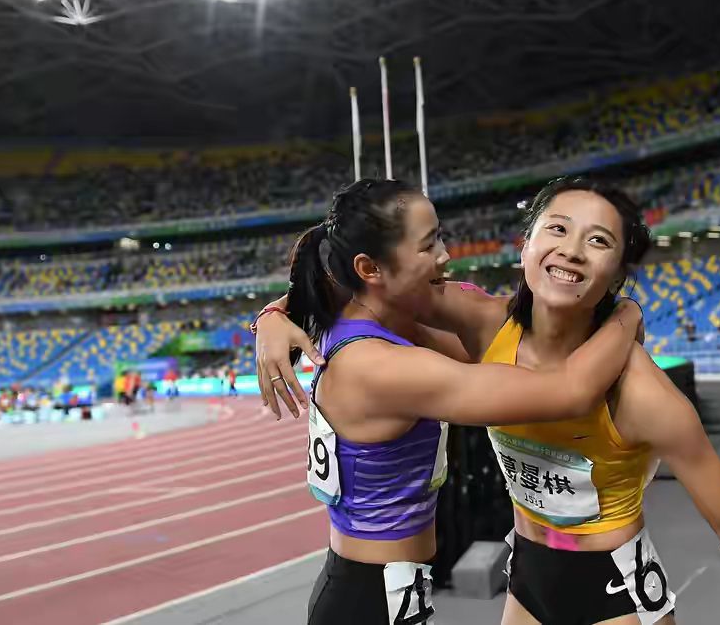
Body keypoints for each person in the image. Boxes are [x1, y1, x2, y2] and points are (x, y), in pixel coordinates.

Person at [258, 176, 720, 625]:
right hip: (525, 586)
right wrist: (273, 315)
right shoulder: (477, 322)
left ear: (618, 271)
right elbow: (362, 286)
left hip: (611, 594)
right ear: (525, 245)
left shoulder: (642, 393)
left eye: (598, 241)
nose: (571, 250)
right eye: (558, 229)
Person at [256, 179, 644, 625]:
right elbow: (569, 393)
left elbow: (308, 293)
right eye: (427, 246)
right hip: (370, 601)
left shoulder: (352, 314)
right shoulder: (380, 366)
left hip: (378, 589)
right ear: (370, 269)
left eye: (441, 236)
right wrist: (624, 312)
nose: (444, 255)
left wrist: (268, 316)